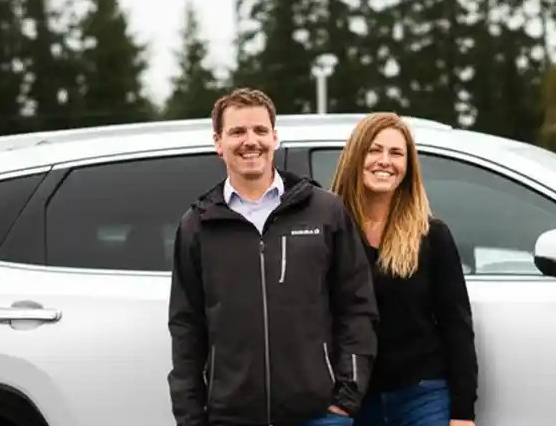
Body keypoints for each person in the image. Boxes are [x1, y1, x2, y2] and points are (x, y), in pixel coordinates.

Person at [167, 87, 378, 426]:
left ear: (275, 138)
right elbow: (186, 328)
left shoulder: (325, 211)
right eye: (237, 131)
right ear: (218, 143)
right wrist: (191, 417)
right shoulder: (198, 225)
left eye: (260, 130)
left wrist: (346, 397)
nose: (251, 141)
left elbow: (357, 307)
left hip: (319, 415)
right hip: (231, 418)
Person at [328, 113, 478, 426]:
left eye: (396, 153)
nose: (385, 161)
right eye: (374, 150)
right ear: (357, 156)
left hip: (420, 395)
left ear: (408, 166)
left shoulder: (432, 235)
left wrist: (464, 414)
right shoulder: (328, 232)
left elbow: (456, 325)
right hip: (348, 399)